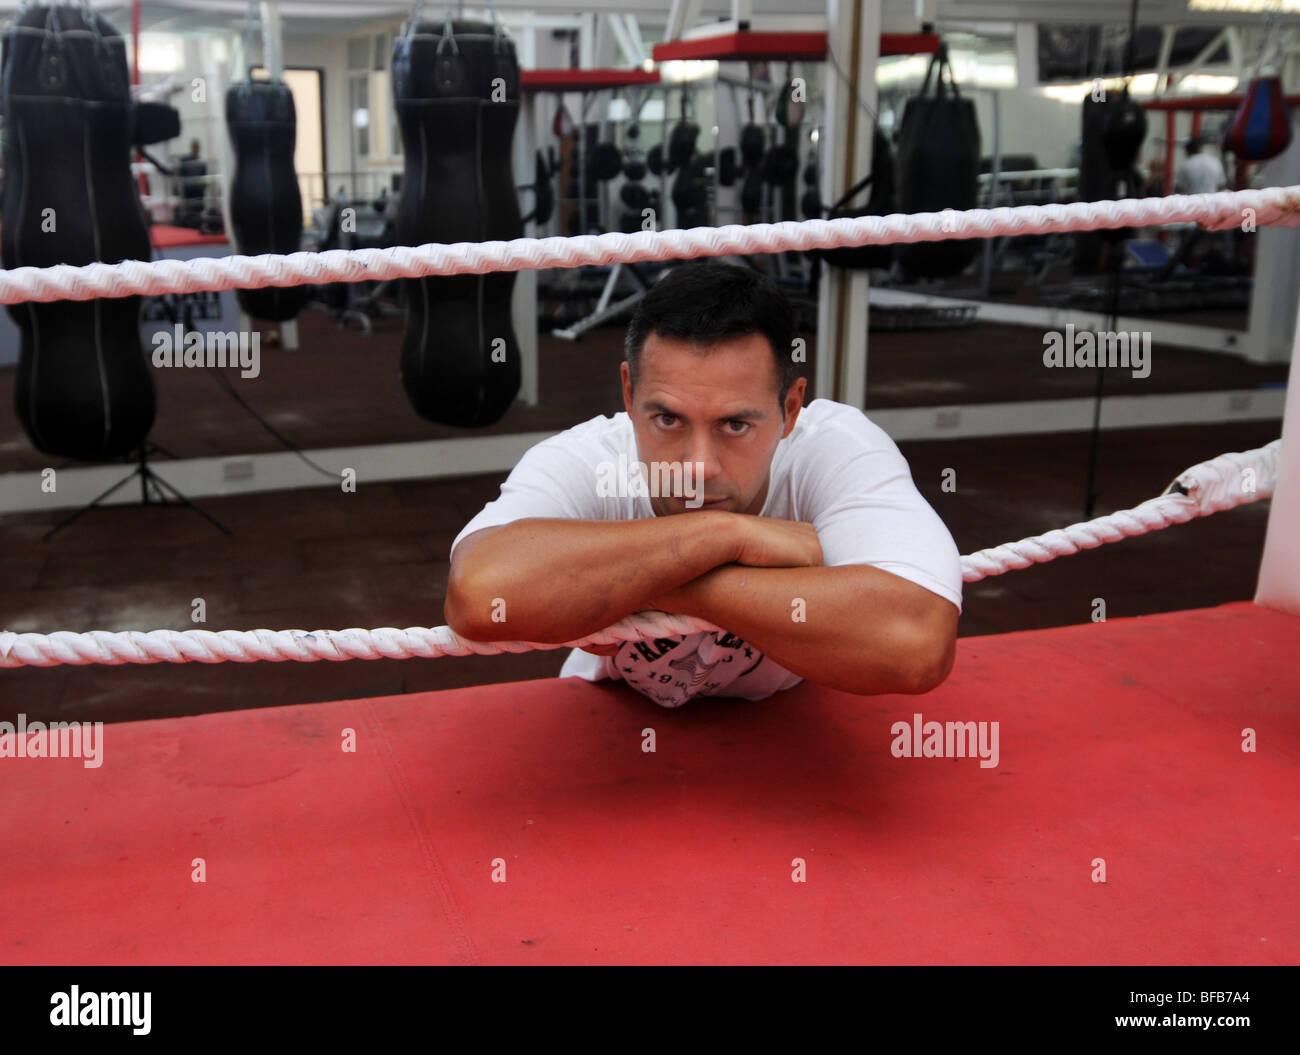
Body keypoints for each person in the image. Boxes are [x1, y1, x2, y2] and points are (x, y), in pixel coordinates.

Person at [446, 261, 962, 708]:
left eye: (735, 425)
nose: (698, 467)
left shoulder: (832, 448)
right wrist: (725, 537)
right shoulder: (589, 459)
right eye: (668, 420)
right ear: (629, 393)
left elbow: (916, 643)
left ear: (789, 409)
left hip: (789, 731)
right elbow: (478, 596)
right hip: (608, 721)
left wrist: (634, 587)